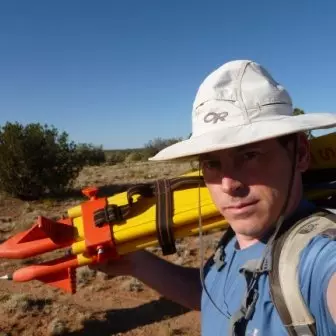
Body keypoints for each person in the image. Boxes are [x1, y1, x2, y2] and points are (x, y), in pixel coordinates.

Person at [91, 60, 336, 335]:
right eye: (212, 164)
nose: (228, 184)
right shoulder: (234, 239)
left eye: (249, 155)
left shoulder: (318, 260)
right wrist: (136, 263)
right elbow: (214, 295)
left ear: (300, 153)